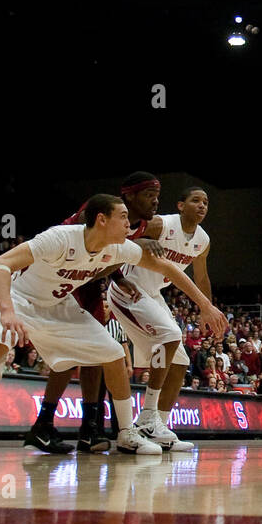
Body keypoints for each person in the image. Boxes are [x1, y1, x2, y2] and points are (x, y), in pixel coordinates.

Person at [0, 194, 226, 457]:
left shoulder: (118, 248)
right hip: (18, 298)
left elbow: (165, 267)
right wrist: (8, 311)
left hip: (58, 307)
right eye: (122, 218)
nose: (128, 225)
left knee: (113, 354)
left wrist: (206, 305)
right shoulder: (59, 238)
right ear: (102, 220)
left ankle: (127, 434)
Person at [25, 172, 169, 455]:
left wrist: (119, 277)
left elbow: (106, 258)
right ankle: (44, 424)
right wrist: (132, 249)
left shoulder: (138, 226)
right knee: (66, 356)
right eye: (149, 195)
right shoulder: (101, 208)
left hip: (88, 283)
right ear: (128, 195)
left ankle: (89, 428)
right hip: (62, 278)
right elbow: (87, 246)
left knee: (97, 355)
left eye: (157, 196)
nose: (155, 202)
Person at [106, 186, 218, 452]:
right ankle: (146, 416)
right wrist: (141, 242)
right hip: (128, 289)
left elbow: (201, 278)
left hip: (153, 295)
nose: (202, 205)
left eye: (205, 202)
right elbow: (117, 241)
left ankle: (158, 425)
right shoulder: (159, 224)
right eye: (195, 200)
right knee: (170, 335)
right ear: (181, 205)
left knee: (181, 361)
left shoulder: (203, 240)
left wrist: (207, 309)